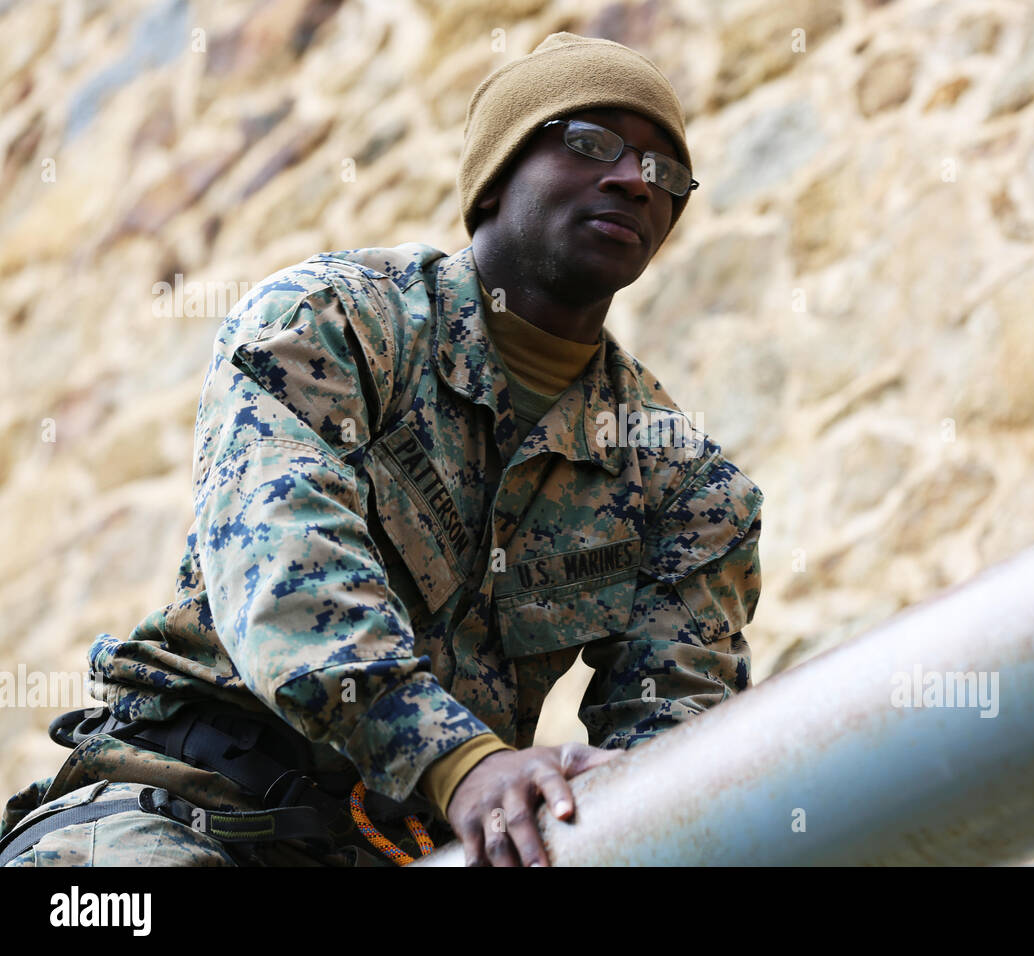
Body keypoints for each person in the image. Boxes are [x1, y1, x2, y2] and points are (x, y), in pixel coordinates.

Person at [0, 32, 762, 868]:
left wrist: (628, 809)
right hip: (183, 809)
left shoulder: (686, 486)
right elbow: (288, 570)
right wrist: (461, 763)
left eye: (663, 173)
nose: (631, 179)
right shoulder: (332, 323)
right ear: (499, 174)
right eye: (589, 144)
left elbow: (679, 752)